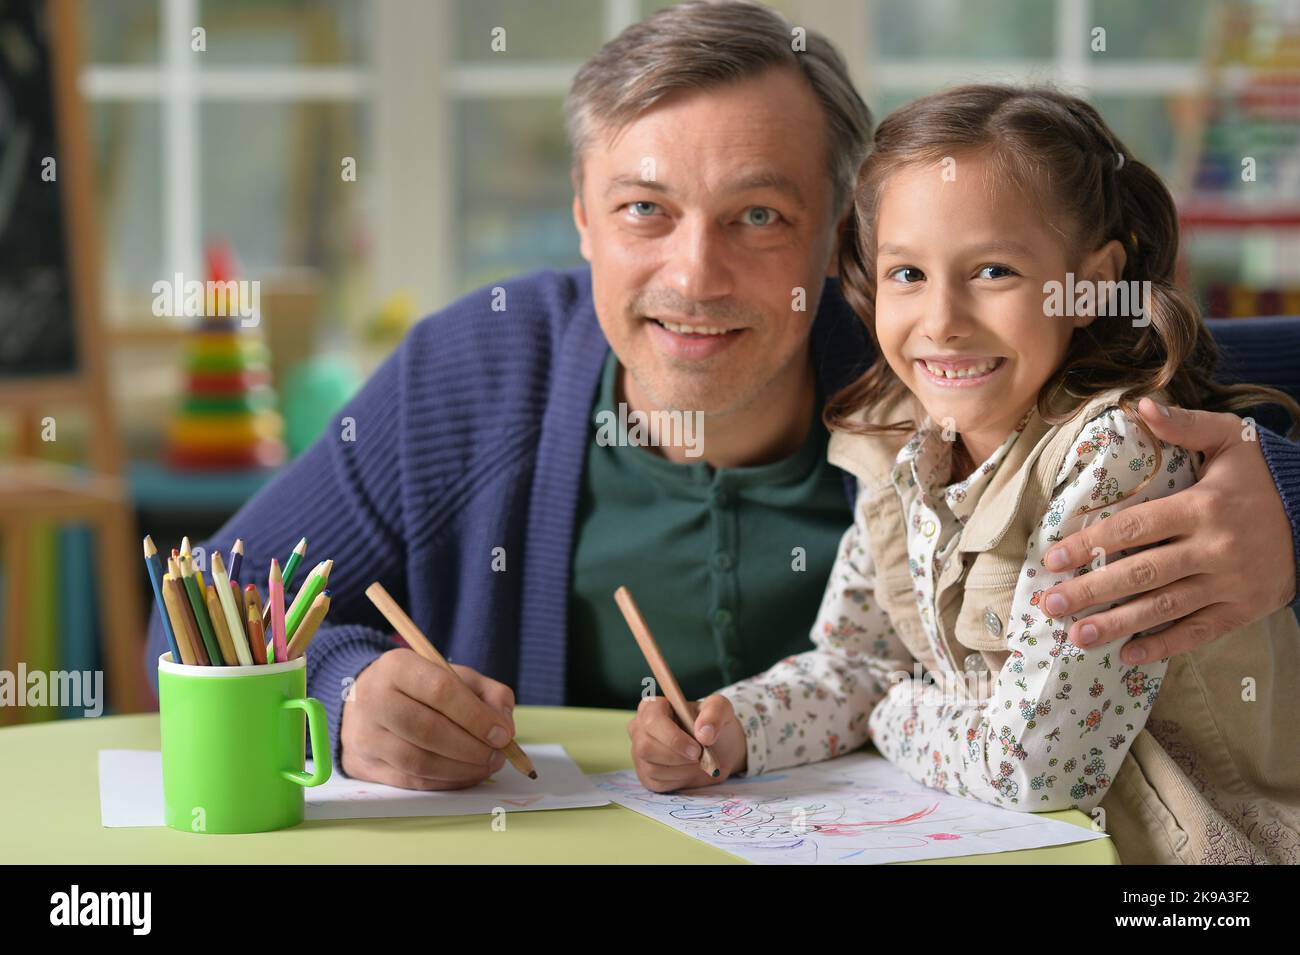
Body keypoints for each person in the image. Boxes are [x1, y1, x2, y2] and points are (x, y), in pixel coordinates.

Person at [145, 2, 1300, 795]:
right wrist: (346, 698)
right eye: (644, 210)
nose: (694, 276)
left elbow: (1195, 372)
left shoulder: (941, 354)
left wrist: (1286, 506)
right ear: (584, 215)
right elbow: (192, 616)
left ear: (838, 243)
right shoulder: (476, 376)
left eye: (759, 216)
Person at [627, 84, 1300, 863]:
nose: (942, 318)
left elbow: (1035, 765)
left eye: (992, 271)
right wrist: (734, 726)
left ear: (1093, 283)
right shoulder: (904, 447)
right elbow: (861, 659)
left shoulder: (1120, 455)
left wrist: (889, 713)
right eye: (908, 274)